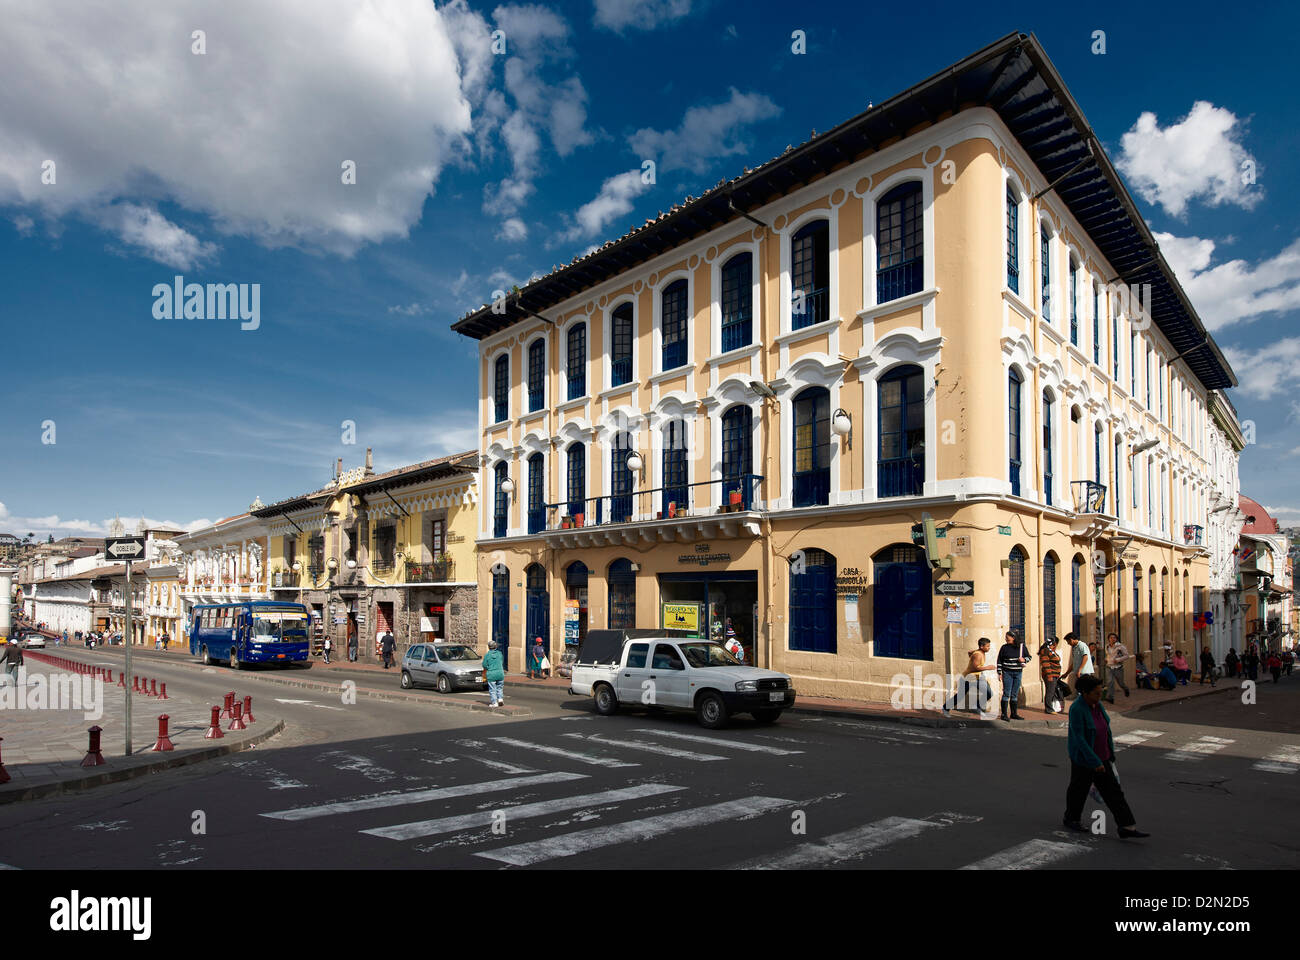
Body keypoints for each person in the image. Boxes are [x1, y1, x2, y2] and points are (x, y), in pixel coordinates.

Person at [1062, 675, 1149, 839]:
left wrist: (1110, 754)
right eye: (1095, 693)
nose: (1099, 695)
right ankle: (1071, 818)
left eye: (1099, 692)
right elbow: (1079, 739)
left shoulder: (1098, 705)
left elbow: (1106, 730)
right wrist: (1094, 761)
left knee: (1114, 792)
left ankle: (1126, 826)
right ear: (1085, 693)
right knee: (1078, 790)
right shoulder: (1077, 709)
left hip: (1103, 757)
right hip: (1084, 759)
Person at [943, 638, 995, 716]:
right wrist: (988, 667)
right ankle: (945, 708)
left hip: (978, 677)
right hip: (969, 677)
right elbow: (975, 668)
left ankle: (976, 706)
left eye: (989, 646)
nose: (989, 648)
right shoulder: (978, 655)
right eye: (987, 646)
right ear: (981, 646)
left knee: (989, 693)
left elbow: (969, 652)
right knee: (960, 695)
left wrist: (973, 651)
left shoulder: (980, 652)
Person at [995, 631, 1030, 721]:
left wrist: (1024, 659)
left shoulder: (1021, 647)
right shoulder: (1004, 647)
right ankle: (1004, 714)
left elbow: (1029, 657)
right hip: (1007, 673)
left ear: (1013, 638)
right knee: (1006, 693)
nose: (1006, 639)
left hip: (1018, 672)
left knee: (1014, 694)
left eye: (1008, 637)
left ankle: (1014, 714)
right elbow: (999, 660)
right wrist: (999, 672)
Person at [1060, 632, 1093, 698]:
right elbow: (1074, 662)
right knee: (1080, 690)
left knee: (1083, 690)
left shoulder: (1082, 645)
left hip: (1084, 672)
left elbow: (1085, 657)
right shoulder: (1074, 648)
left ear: (1071, 639)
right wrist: (1066, 673)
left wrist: (1080, 670)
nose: (1068, 643)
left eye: (1068, 641)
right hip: (1079, 673)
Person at [1104, 633, 1131, 702]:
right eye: (1111, 638)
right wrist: (1106, 659)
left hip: (1118, 667)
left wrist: (1118, 660)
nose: (1112, 639)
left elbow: (1127, 655)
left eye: (1114, 638)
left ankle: (1125, 689)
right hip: (1109, 666)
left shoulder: (1121, 647)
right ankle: (1110, 697)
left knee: (1120, 683)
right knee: (1110, 682)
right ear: (1108, 639)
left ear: (1116, 639)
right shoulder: (1107, 646)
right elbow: (1108, 655)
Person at [1038, 636, 1062, 714]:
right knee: (1050, 691)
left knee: (1052, 691)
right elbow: (1045, 664)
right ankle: (1048, 709)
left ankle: (1052, 707)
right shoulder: (1045, 651)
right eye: (1055, 644)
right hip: (1050, 675)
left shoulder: (1051, 651)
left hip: (1055, 674)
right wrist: (1049, 675)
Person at [483, 639, 506, 707]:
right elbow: (501, 661)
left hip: (491, 674)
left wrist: (488, 667)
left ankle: (494, 702)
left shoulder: (487, 655)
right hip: (500, 673)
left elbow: (484, 665)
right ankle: (500, 699)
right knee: (500, 687)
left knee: (492, 689)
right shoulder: (499, 653)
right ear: (496, 646)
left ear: (489, 647)